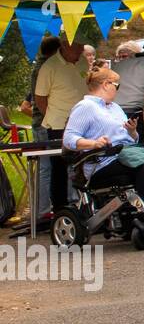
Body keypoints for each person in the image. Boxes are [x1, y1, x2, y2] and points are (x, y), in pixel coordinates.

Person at [62, 66, 144, 233]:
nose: (117, 90)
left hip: (124, 154)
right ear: (105, 84)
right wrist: (94, 143)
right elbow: (69, 139)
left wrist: (132, 132)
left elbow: (129, 140)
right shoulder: (85, 107)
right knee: (143, 165)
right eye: (116, 85)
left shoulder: (115, 108)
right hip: (101, 162)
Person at [34, 35, 90, 213]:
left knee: (86, 163)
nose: (82, 50)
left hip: (84, 121)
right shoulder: (49, 66)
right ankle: (60, 208)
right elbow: (40, 98)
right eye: (78, 46)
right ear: (66, 46)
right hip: (58, 124)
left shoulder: (81, 62)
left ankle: (85, 205)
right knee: (59, 168)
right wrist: (50, 116)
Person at [23, 35, 62, 223]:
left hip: (42, 122)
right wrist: (50, 118)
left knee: (48, 167)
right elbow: (41, 98)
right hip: (45, 123)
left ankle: (44, 209)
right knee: (46, 167)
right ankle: (43, 210)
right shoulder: (46, 68)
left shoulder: (41, 66)